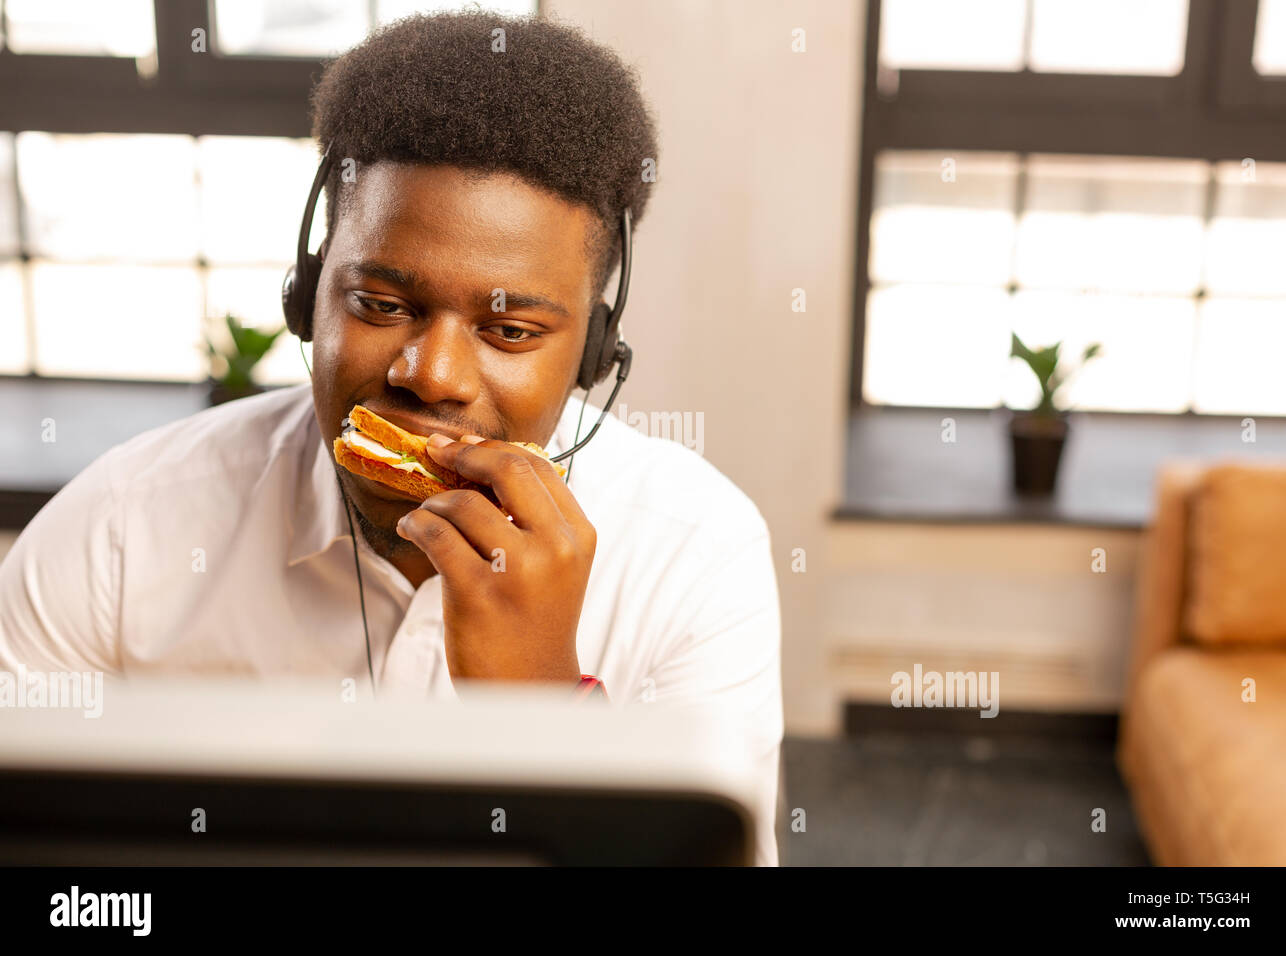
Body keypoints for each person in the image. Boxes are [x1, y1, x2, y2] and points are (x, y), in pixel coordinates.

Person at [0, 11, 783, 866]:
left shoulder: (699, 555)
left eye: (511, 330)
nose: (432, 374)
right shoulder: (120, 531)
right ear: (307, 297)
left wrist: (544, 710)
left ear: (594, 356)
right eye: (381, 306)